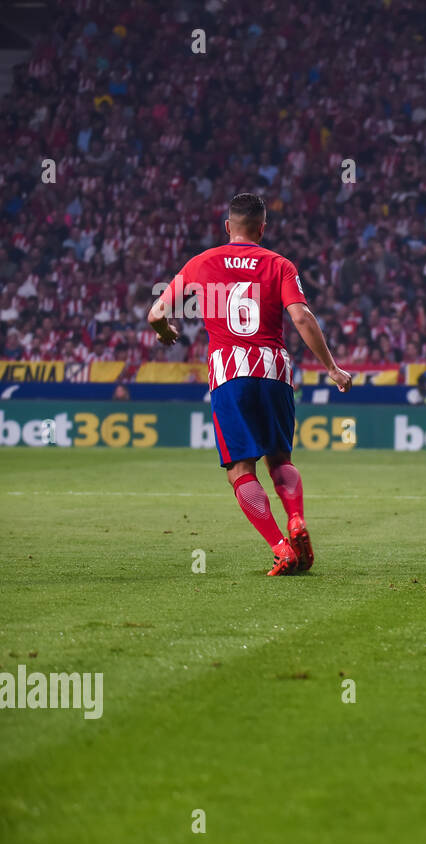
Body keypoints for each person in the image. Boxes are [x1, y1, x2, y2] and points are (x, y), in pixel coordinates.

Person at [147, 193, 352, 576]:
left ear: (228, 226)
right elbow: (303, 319)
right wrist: (333, 368)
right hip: (274, 370)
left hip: (229, 373)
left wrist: (166, 331)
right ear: (262, 228)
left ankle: (280, 547)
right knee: (281, 460)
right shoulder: (280, 265)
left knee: (240, 470)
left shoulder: (200, 263)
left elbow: (156, 313)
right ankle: (295, 520)